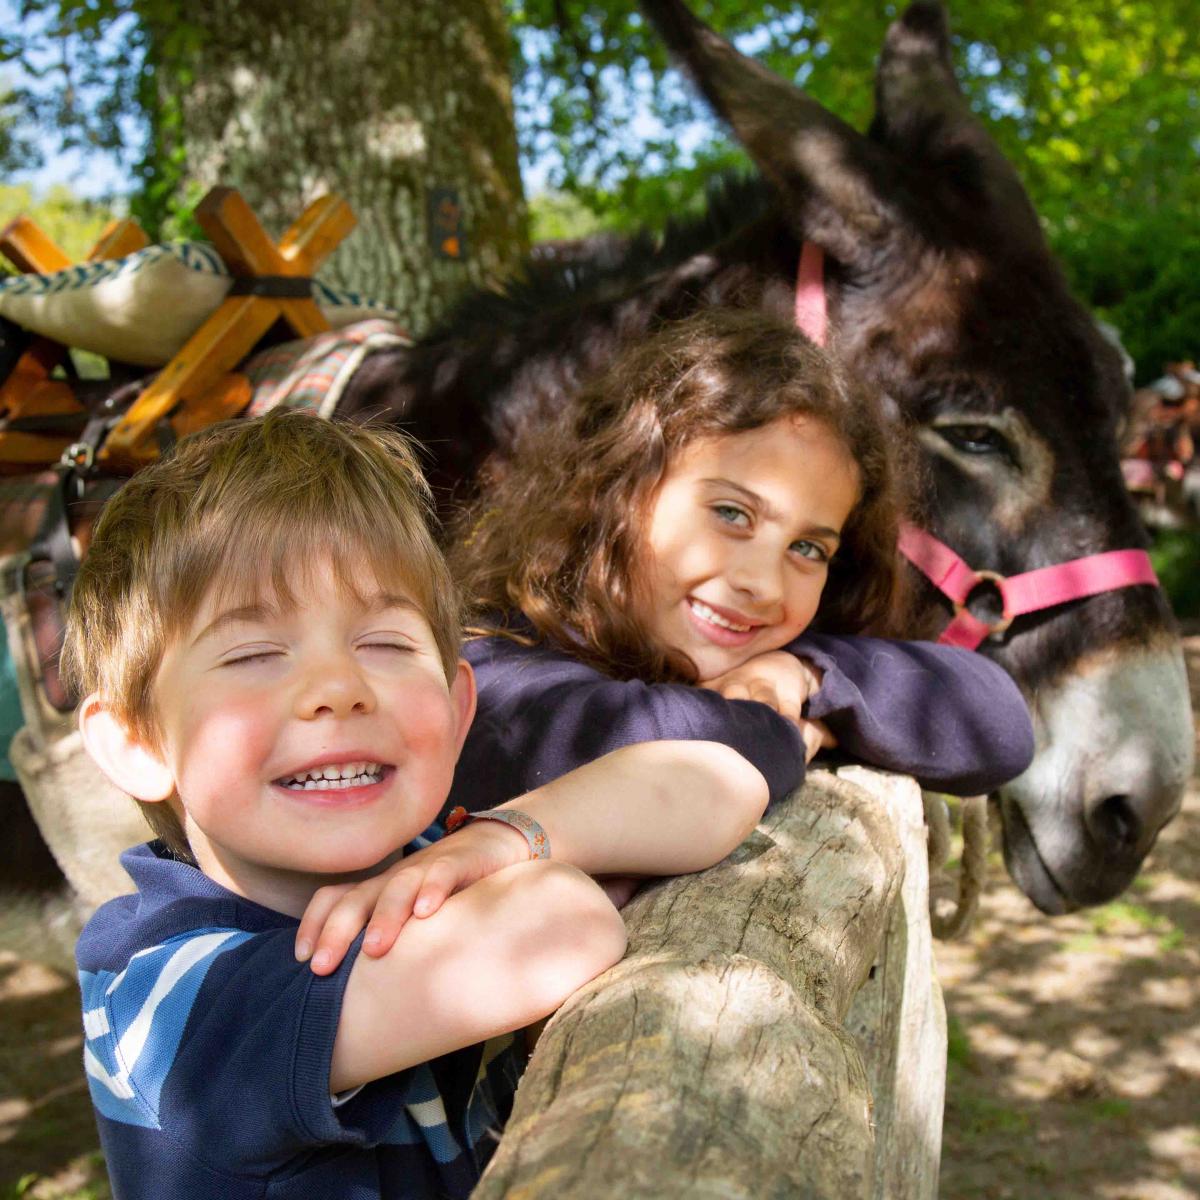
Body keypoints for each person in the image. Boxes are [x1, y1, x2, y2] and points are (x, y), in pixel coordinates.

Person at [64, 411, 775, 1200]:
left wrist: (503, 837)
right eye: (256, 654)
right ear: (137, 742)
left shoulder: (438, 854)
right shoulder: (168, 996)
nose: (339, 688)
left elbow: (723, 782)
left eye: (385, 644)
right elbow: (561, 926)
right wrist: (547, 864)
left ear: (458, 704)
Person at [297, 309, 1035, 969]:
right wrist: (791, 726)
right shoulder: (485, 669)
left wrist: (804, 674)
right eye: (732, 514)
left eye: (808, 548)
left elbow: (998, 725)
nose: (763, 583)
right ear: (619, 487)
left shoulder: (752, 646)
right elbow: (672, 750)